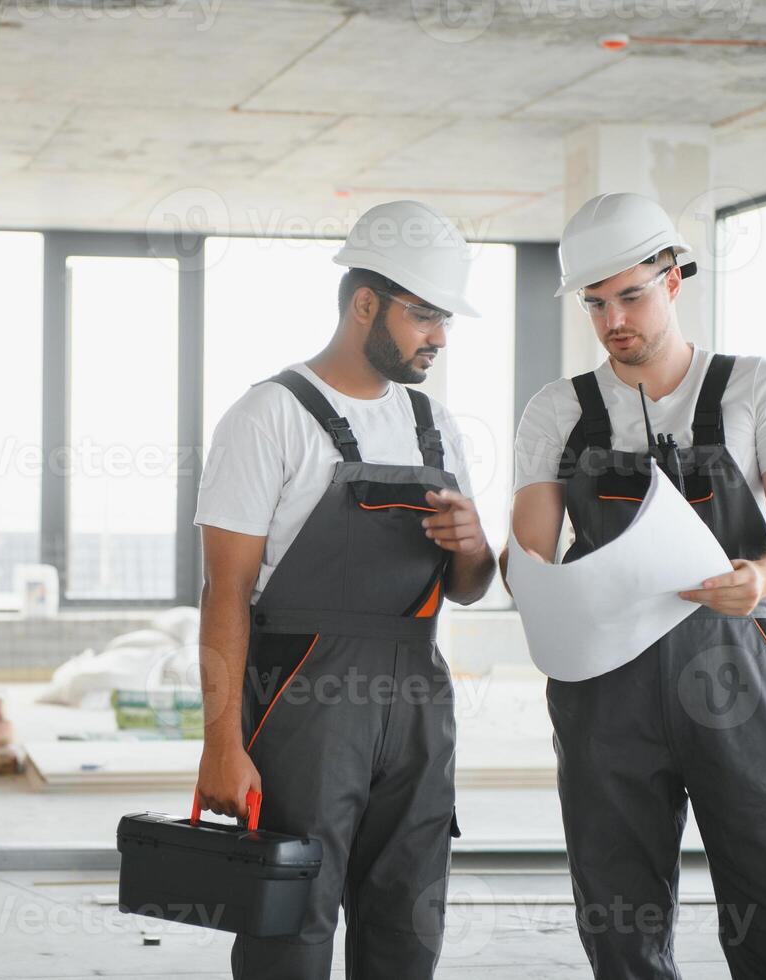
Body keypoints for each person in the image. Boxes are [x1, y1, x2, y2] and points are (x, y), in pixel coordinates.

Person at [505, 191, 766, 978]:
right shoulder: (557, 411)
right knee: (619, 918)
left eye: (629, 295)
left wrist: (760, 576)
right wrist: (527, 576)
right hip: (604, 687)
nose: (613, 319)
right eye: (595, 303)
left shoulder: (756, 389)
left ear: (673, 281)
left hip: (737, 674)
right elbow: (526, 553)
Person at [193, 199, 497, 979]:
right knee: (289, 920)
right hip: (302, 697)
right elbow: (223, 592)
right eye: (423, 316)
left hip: (418, 697)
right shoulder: (270, 415)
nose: (437, 337)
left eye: (444, 321)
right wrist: (220, 745)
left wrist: (475, 545)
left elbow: (467, 588)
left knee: (407, 915)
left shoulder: (434, 423)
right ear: (365, 302)